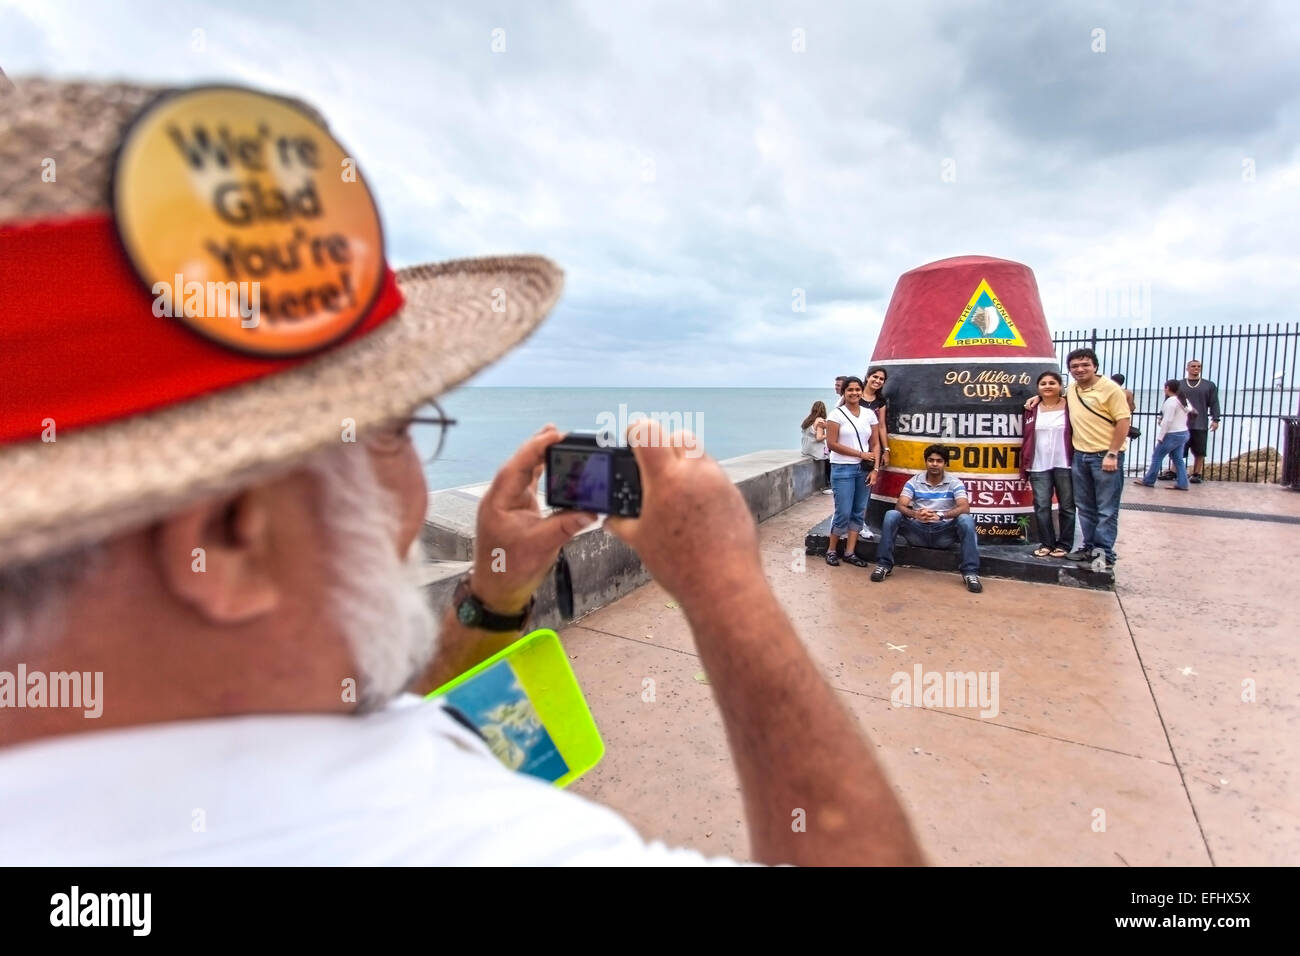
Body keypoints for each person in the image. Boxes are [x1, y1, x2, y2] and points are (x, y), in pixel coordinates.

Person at [0, 78, 924, 867]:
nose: (410, 487)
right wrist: (727, 588)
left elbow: (347, 716)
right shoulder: (472, 843)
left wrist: (493, 596)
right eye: (398, 430)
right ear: (230, 535)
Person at [871, 445, 982, 593]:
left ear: (945, 463)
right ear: (926, 462)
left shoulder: (955, 483)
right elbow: (900, 505)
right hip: (917, 532)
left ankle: (970, 573)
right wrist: (915, 514)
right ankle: (883, 565)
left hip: (943, 534)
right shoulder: (914, 481)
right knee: (892, 515)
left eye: (939, 461)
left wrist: (940, 515)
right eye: (931, 460)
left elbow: (964, 507)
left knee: (965, 519)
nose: (934, 464)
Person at [1060, 348, 1131, 568]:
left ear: (1095, 366)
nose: (1080, 369)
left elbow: (1123, 421)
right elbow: (1057, 398)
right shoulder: (1073, 390)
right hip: (1080, 455)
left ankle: (1104, 554)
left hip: (1105, 455)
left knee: (1106, 509)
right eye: (1074, 366)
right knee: (1085, 506)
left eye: (1085, 365)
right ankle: (1089, 547)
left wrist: (1112, 453)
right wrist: (1036, 398)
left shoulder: (1110, 389)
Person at [823, 376, 880, 565]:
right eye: (850, 390)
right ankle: (832, 550)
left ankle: (850, 552)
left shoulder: (869, 414)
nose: (854, 393)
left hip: (864, 469)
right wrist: (860, 454)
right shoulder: (836, 415)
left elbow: (875, 443)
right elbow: (831, 443)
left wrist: (876, 469)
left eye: (857, 389)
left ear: (862, 391)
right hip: (842, 468)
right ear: (844, 392)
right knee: (843, 511)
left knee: (858, 511)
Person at [1020, 371, 1075, 558]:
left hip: (1065, 463)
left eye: (1052, 382)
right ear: (1038, 388)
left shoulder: (1070, 405)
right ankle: (1047, 543)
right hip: (1039, 463)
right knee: (1042, 506)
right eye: (1043, 383)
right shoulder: (1031, 408)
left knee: (1067, 506)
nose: (1048, 386)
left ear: (1060, 386)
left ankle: (1065, 544)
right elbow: (1027, 437)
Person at [1159, 359, 1221, 484]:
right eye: (1193, 366)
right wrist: (1162, 416)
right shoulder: (1179, 384)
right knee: (1177, 448)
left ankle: (1196, 473)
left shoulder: (1209, 385)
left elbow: (1214, 403)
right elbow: (1168, 401)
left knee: (1199, 450)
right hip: (1180, 424)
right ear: (1187, 368)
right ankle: (1173, 472)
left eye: (1198, 366)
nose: (1196, 368)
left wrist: (1215, 419)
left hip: (1200, 423)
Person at [1135, 380, 1191, 491]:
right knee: (1178, 458)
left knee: (1157, 456)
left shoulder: (1171, 402)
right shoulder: (1183, 400)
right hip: (1183, 432)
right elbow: (1189, 411)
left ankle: (1149, 480)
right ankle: (1183, 483)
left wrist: (1161, 436)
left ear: (1167, 388)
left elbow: (1168, 421)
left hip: (1172, 434)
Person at [861, 366, 892, 474]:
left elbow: (882, 426)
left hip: (872, 446)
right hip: (855, 444)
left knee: (867, 480)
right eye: (875, 377)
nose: (878, 381)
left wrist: (886, 450)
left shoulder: (880, 401)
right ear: (867, 377)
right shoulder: (855, 396)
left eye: (881, 379)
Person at [800, 400, 831, 494]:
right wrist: (829, 434)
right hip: (816, 450)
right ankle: (829, 484)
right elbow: (819, 438)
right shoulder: (820, 421)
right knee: (830, 460)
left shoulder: (808, 420)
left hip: (806, 449)